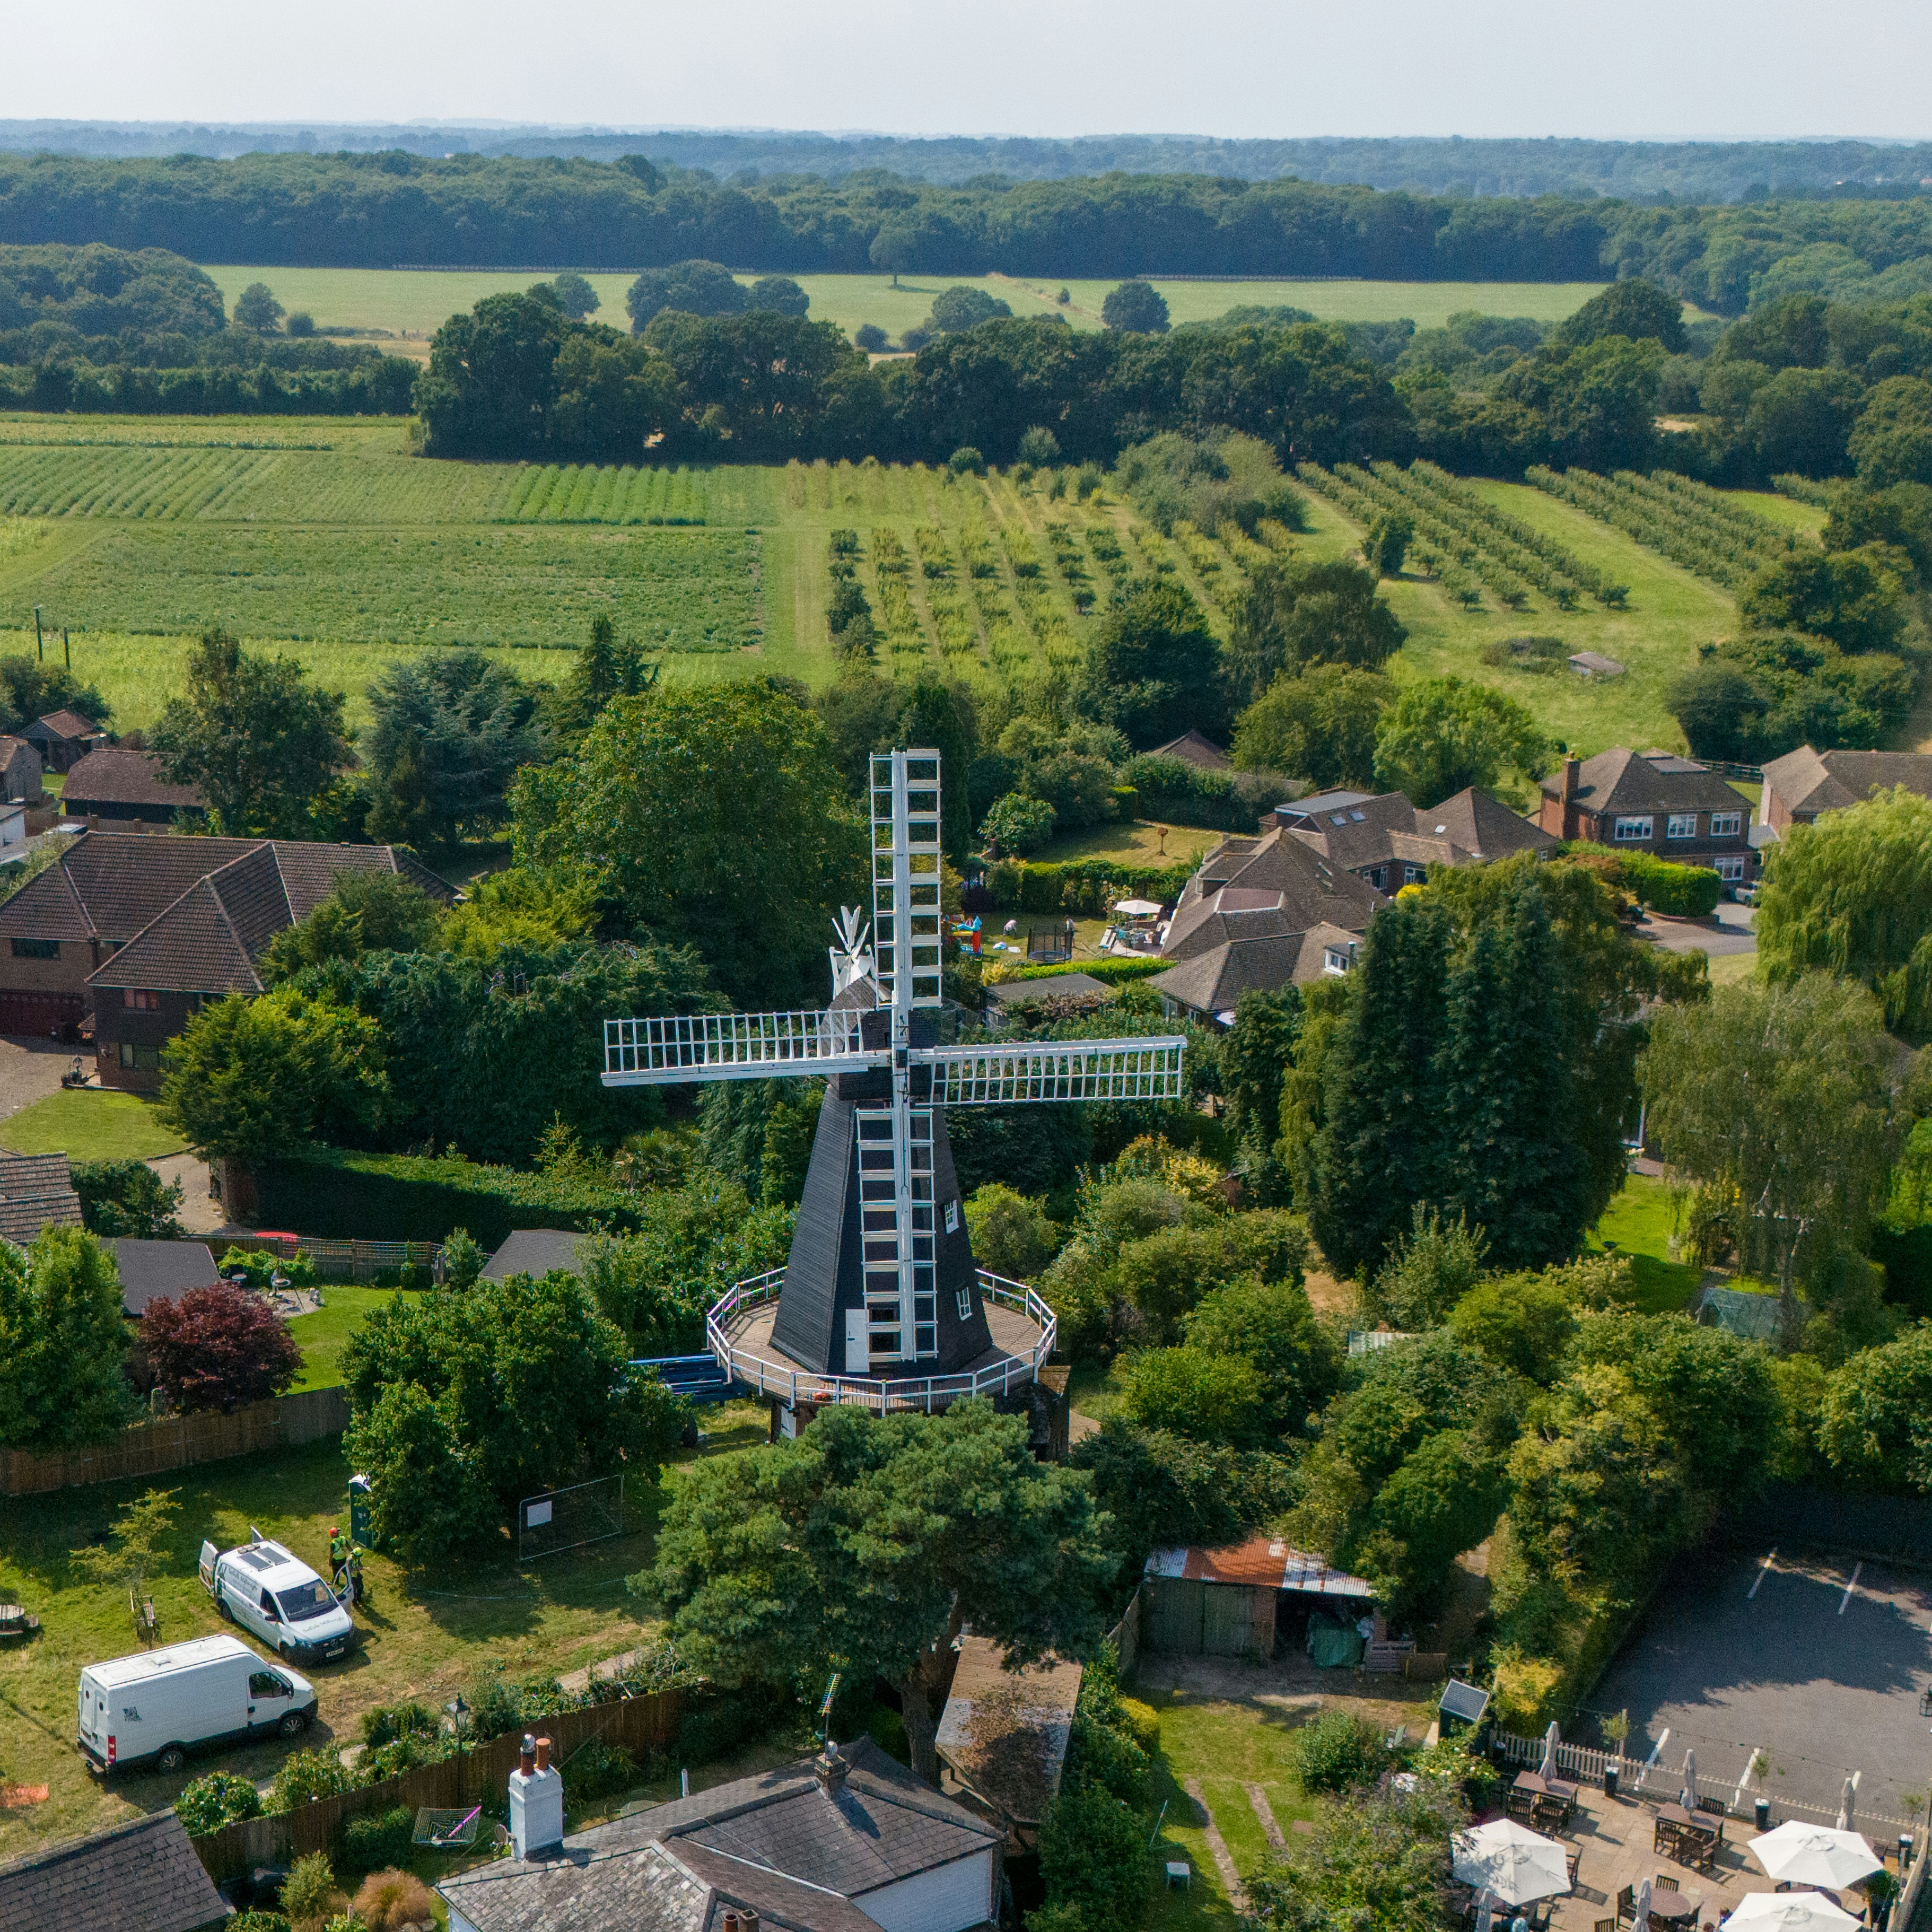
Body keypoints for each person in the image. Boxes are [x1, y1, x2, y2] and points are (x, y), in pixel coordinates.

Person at [327, 1525, 348, 1590]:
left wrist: (330, 1562)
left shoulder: (333, 1543)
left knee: (336, 1572)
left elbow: (331, 1553)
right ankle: (351, 1580)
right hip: (344, 1559)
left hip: (336, 1560)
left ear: (333, 1535)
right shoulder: (343, 1539)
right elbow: (349, 1547)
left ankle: (336, 1581)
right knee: (345, 1571)